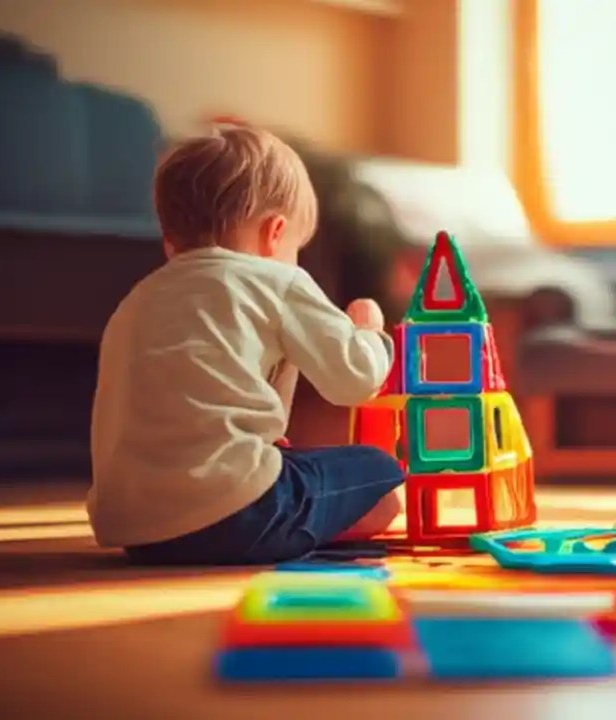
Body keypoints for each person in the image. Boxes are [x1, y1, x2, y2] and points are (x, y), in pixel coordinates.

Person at [88, 125, 404, 565]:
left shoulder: (135, 301)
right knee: (382, 475)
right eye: (297, 246)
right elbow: (354, 381)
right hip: (240, 513)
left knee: (290, 468)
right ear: (275, 233)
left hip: (141, 532)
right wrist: (368, 331)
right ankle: (283, 535)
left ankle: (275, 527)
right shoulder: (277, 279)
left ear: (170, 240)